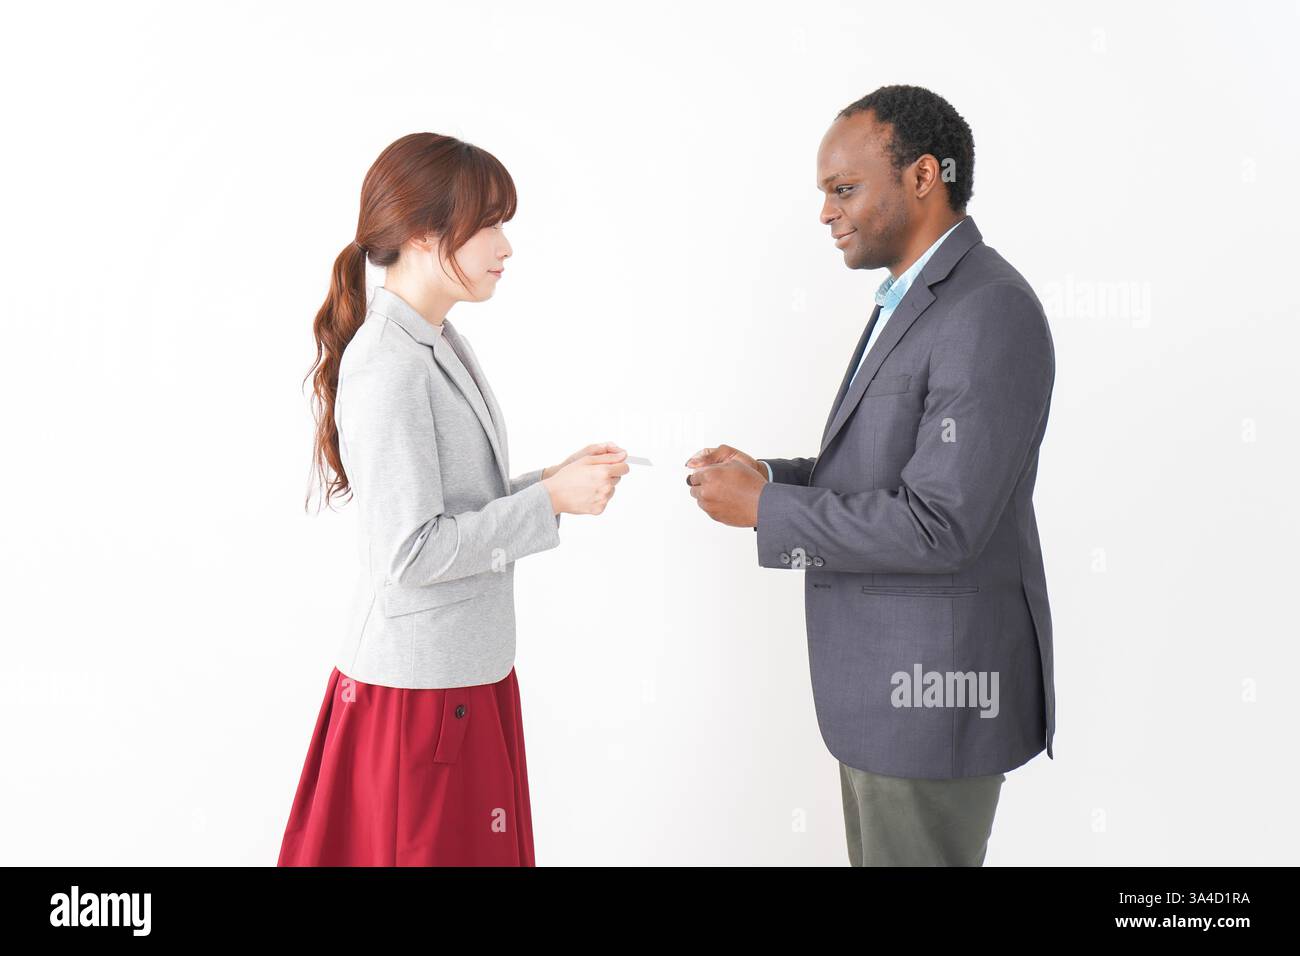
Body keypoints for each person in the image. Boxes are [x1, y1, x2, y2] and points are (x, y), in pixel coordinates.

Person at [686, 85, 1056, 866]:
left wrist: (769, 511)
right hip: (886, 698)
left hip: (933, 702)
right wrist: (772, 475)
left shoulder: (987, 308)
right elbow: (884, 464)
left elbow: (941, 523)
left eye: (843, 188)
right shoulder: (911, 296)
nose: (826, 212)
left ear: (925, 177)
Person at [280, 132, 629, 866]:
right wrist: (550, 503)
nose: (506, 245)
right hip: (420, 699)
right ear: (419, 232)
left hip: (462, 679)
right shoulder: (387, 364)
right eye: (489, 222)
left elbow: (455, 506)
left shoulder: (434, 339)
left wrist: (550, 485)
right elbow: (410, 554)